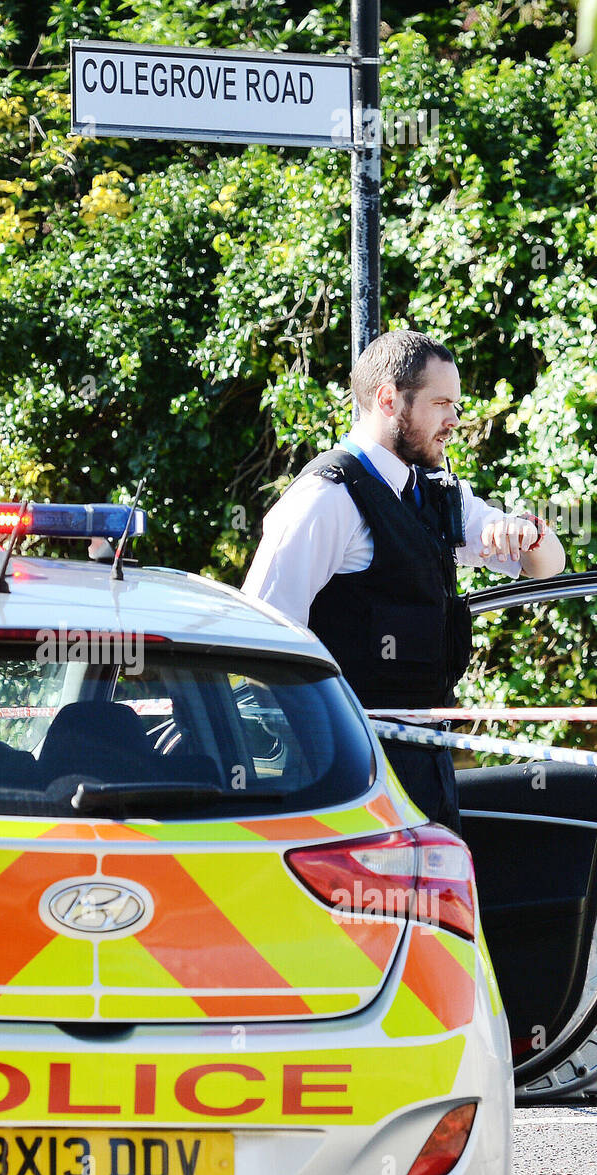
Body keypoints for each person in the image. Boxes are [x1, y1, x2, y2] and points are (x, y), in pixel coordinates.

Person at [242, 330, 565, 833]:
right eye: (441, 404)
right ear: (389, 400)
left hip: (426, 765)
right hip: (349, 776)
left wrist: (524, 532)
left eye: (455, 405)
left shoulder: (437, 495)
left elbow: (547, 566)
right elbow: (260, 636)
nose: (454, 421)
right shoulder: (325, 499)